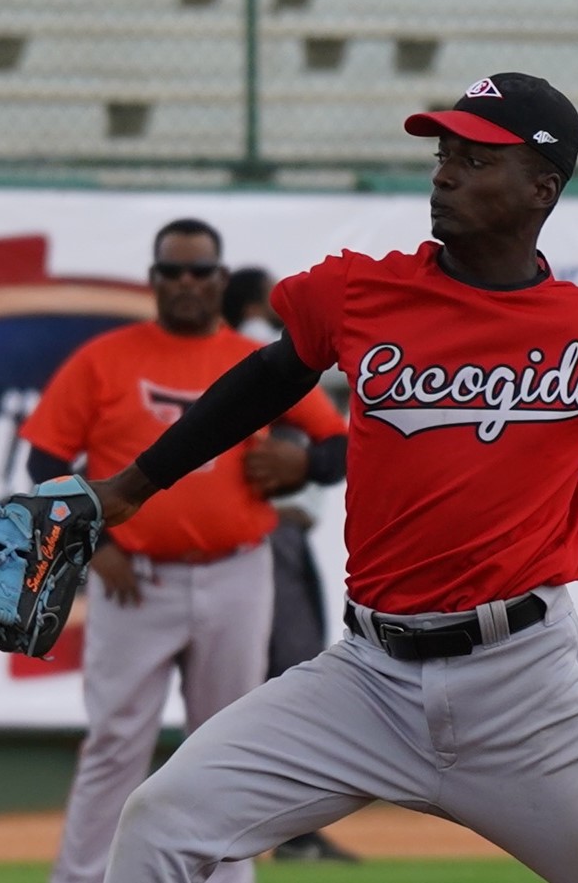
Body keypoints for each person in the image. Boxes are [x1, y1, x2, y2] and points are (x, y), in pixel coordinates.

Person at [68, 72, 578, 881]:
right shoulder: (361, 292)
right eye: (444, 155)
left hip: (522, 689)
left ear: (542, 187)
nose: (445, 175)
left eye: (475, 159)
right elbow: (273, 372)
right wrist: (131, 487)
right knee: (162, 821)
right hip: (366, 679)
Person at [20, 218, 349, 883]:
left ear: (222, 279)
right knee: (116, 741)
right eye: (173, 271)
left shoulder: (256, 361)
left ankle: (225, 878)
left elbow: (341, 444)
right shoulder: (106, 358)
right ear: (154, 279)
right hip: (133, 577)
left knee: (227, 745)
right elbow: (44, 458)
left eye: (201, 271)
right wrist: (94, 543)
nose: (187, 283)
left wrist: (303, 466)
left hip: (236, 571)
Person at [221, 266, 360, 865]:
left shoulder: (240, 347)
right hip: (270, 529)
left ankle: (278, 824)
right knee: (295, 671)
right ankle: (291, 830)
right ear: (256, 305)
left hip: (266, 532)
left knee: (274, 674)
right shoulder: (255, 339)